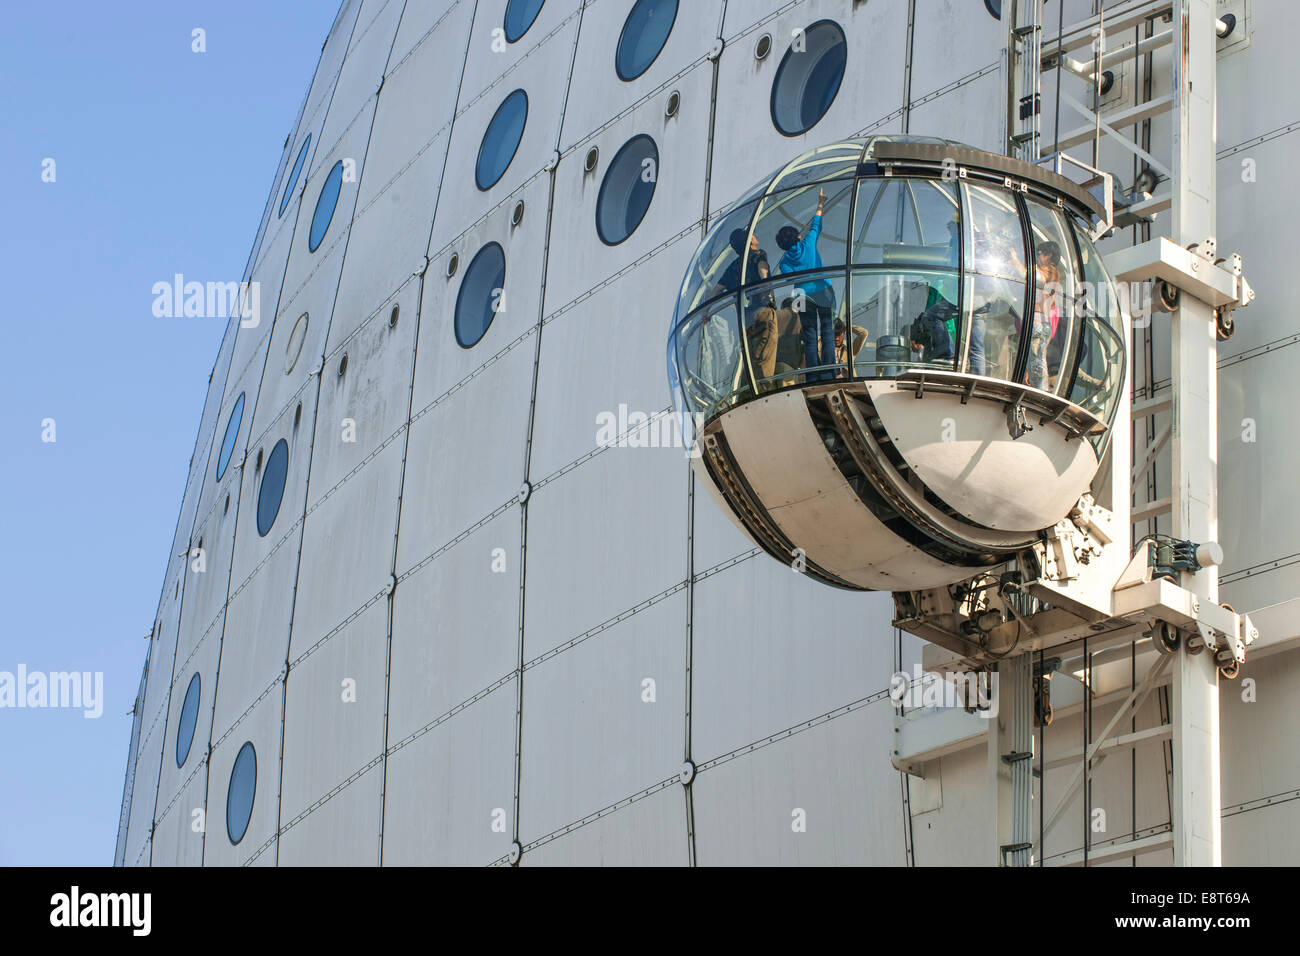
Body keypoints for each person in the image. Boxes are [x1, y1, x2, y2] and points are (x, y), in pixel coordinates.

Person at [777, 189, 836, 382]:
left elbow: (788, 278)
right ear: (798, 237)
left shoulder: (785, 262)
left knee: (810, 335)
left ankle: (813, 375)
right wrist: (820, 203)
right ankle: (829, 371)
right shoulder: (808, 244)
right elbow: (815, 224)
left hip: (802, 295)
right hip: (823, 290)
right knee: (827, 330)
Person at [1025, 240, 1062, 390]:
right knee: (1037, 359)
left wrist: (1015, 261)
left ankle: (1041, 390)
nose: (1037, 256)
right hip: (1044, 323)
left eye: (1040, 253)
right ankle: (1039, 387)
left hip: (1039, 320)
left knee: (1038, 361)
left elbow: (1033, 275)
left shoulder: (1050, 271)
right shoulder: (1054, 274)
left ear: (1049, 255)